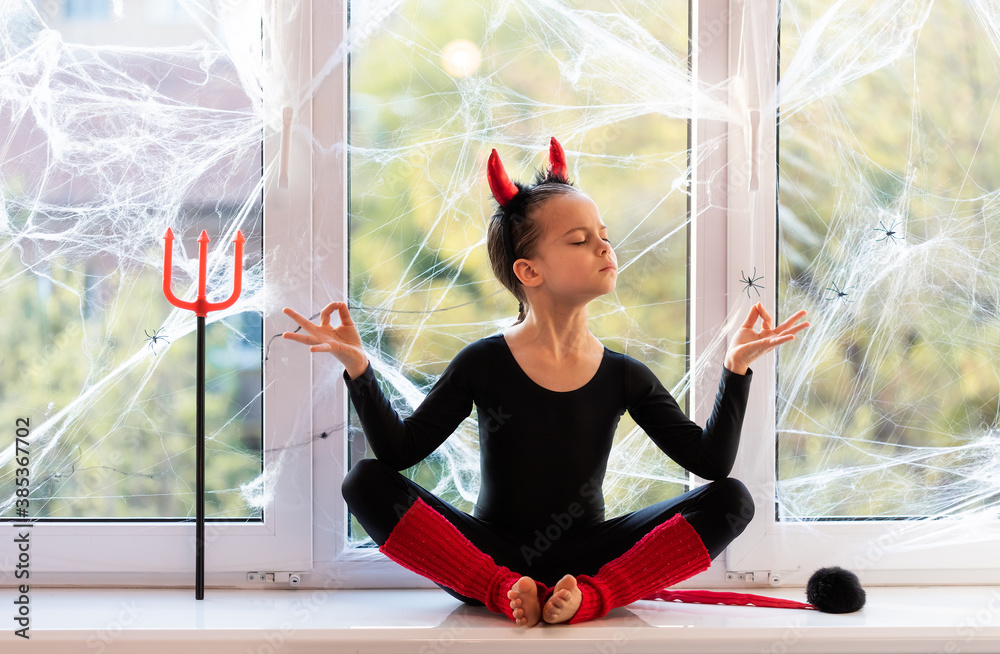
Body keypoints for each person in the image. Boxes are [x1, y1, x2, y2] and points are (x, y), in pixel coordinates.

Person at [282, 137, 809, 627]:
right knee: (365, 481)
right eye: (580, 240)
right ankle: (504, 591)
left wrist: (737, 369)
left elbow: (712, 465)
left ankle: (592, 597)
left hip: (591, 558)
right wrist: (359, 370)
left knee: (732, 499)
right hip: (487, 553)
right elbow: (400, 452)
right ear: (529, 272)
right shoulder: (483, 362)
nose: (604, 249)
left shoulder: (624, 375)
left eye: (604, 237)